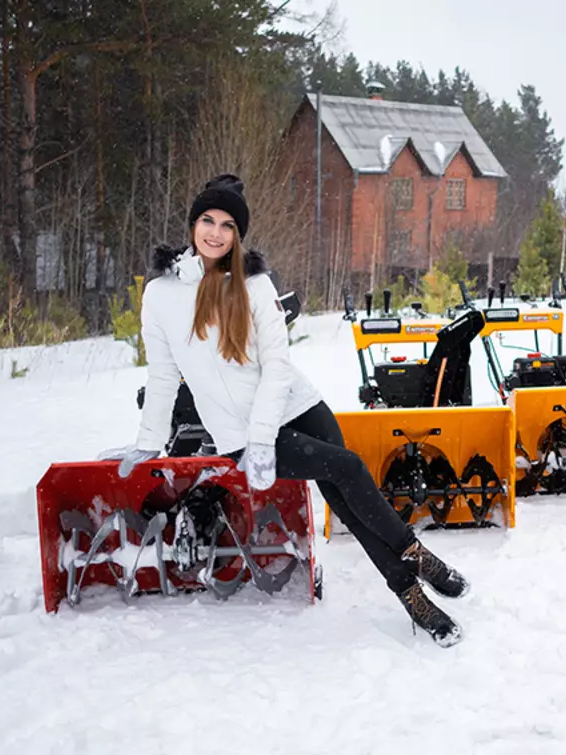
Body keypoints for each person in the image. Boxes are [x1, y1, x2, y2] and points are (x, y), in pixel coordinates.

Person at [107, 174, 468, 647]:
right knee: (350, 467)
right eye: (207, 221)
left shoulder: (253, 284)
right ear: (192, 224)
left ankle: (414, 596)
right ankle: (415, 555)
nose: (215, 233)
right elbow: (160, 375)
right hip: (239, 432)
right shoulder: (162, 294)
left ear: (239, 235)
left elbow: (278, 365)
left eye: (228, 225)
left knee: (347, 497)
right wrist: (149, 443)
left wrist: (265, 434)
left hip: (293, 402)